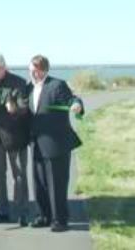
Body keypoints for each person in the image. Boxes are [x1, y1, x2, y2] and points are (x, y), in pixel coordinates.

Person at [25, 55, 84, 233]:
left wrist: (77, 105)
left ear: (44, 70)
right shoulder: (29, 88)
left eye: (37, 70)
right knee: (40, 182)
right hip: (36, 143)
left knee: (56, 184)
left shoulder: (57, 85)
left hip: (56, 145)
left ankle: (60, 220)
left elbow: (72, 99)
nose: (34, 73)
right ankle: (43, 216)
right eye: (31, 70)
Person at [0, 54, 31, 226]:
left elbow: (25, 107)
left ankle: (22, 212)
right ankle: (1, 210)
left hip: (15, 136)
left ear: (4, 68)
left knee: (19, 176)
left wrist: (15, 109)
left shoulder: (18, 82)